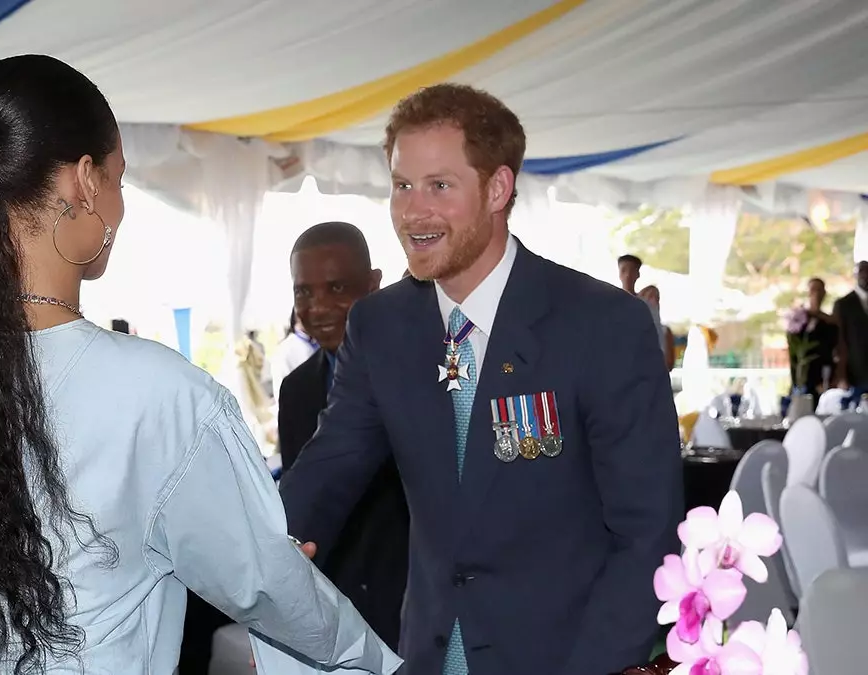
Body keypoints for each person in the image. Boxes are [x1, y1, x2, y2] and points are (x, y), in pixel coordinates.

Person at [0, 55, 399, 675]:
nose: (119, 207)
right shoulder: (161, 393)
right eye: (119, 180)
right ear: (84, 182)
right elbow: (269, 592)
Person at [280, 83, 681, 675]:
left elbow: (648, 533)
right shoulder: (381, 326)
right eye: (401, 186)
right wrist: (245, 547)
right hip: (430, 651)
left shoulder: (601, 325)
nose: (413, 212)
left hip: (568, 656)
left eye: (439, 186)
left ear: (498, 189)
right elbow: (327, 467)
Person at [278, 222, 407, 649]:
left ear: (373, 285)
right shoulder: (295, 390)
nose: (319, 307)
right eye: (304, 292)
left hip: (409, 607)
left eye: (337, 288)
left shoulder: (415, 375)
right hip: (336, 613)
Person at [789, 278, 837, 395]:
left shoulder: (829, 322)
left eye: (819, 290)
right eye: (813, 290)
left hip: (823, 377)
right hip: (802, 377)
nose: (816, 294)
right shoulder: (798, 319)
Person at [834, 262, 868, 394]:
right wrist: (841, 375)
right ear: (855, 275)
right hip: (855, 371)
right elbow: (840, 340)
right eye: (861, 272)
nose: (865, 275)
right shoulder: (843, 304)